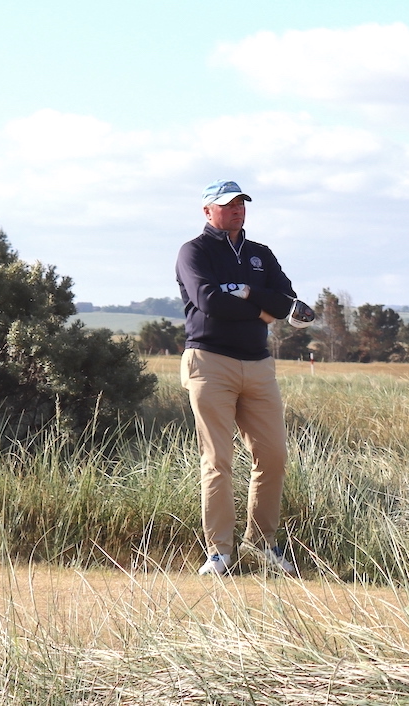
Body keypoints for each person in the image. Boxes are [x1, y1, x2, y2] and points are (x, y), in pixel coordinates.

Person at [176, 179, 302, 577]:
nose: (236, 210)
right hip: (209, 362)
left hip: (258, 365)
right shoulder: (194, 251)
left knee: (274, 457)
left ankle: (261, 543)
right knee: (218, 459)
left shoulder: (260, 253)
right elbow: (208, 302)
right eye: (227, 205)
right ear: (207, 211)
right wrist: (259, 306)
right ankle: (219, 552)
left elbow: (286, 303)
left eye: (240, 204)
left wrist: (245, 291)